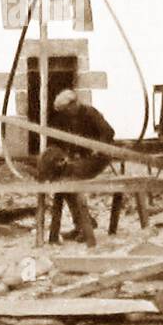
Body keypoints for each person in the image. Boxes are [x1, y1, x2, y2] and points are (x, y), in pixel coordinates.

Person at [38, 90, 113, 243]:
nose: (64, 114)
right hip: (82, 159)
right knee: (63, 181)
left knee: (69, 179)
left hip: (98, 159)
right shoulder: (69, 118)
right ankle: (83, 225)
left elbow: (109, 132)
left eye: (65, 110)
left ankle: (85, 227)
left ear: (73, 104)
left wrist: (97, 148)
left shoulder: (90, 113)